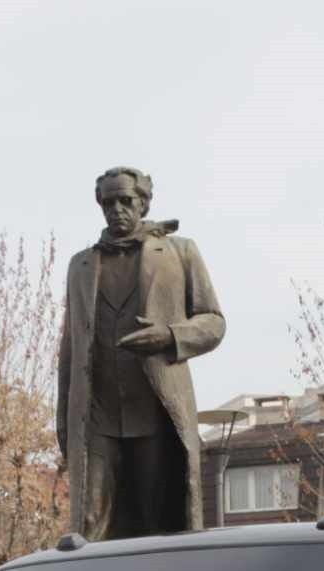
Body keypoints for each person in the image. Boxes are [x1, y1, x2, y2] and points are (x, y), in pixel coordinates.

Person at [56, 166, 225, 539]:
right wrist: (64, 425)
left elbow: (213, 323)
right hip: (97, 415)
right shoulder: (81, 265)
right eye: (108, 202)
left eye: (126, 201)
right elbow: (69, 351)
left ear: (144, 202)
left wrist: (168, 335)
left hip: (154, 411)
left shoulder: (179, 252)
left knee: (158, 521)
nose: (117, 209)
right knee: (88, 527)